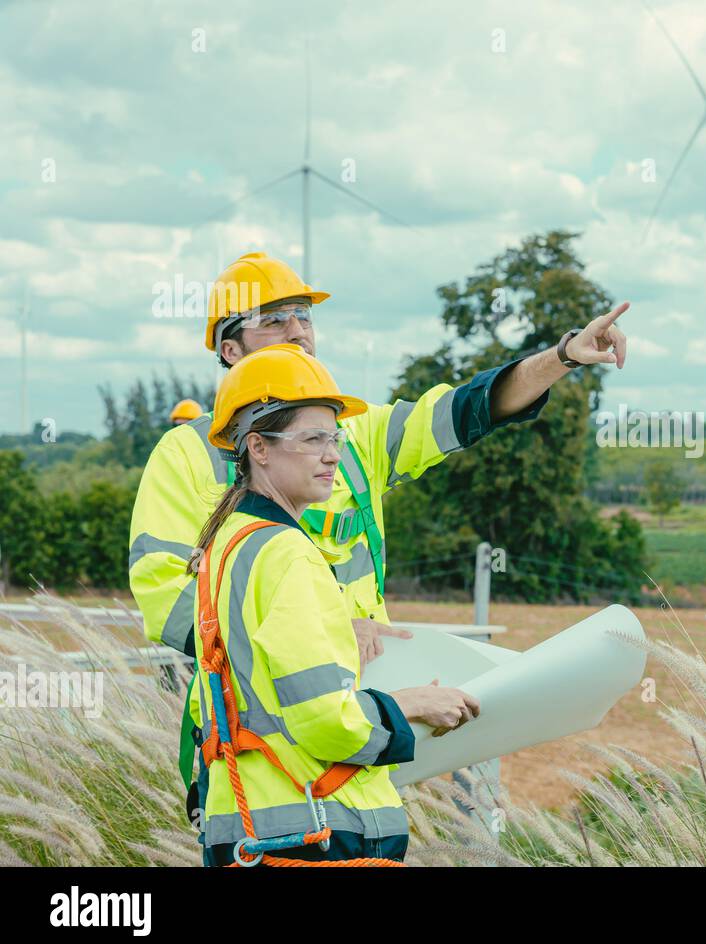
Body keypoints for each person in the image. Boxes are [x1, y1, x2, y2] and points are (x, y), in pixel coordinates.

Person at [127, 251, 630, 805]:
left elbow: (465, 409)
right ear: (230, 349)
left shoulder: (355, 432)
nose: (297, 332)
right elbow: (166, 601)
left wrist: (562, 356)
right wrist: (332, 635)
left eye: (303, 315)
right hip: (257, 743)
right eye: (273, 320)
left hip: (370, 725)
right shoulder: (185, 455)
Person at [190, 343, 480, 866]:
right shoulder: (287, 554)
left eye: (335, 437)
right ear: (258, 447)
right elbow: (325, 722)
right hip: (317, 830)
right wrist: (411, 703)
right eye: (313, 439)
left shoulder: (229, 543)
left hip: (252, 826)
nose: (333, 454)